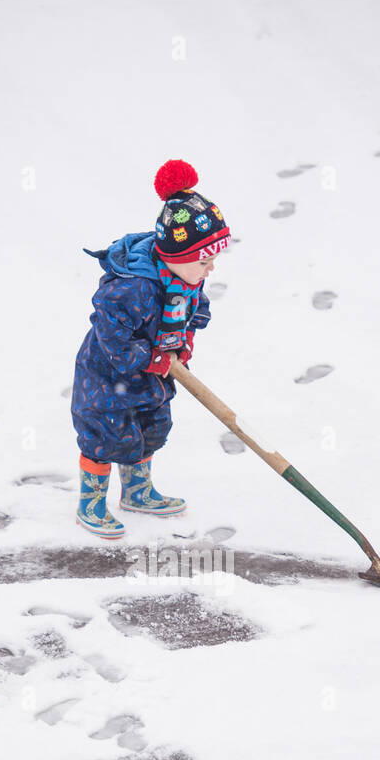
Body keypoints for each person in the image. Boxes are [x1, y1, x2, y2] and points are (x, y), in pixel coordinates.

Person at [71, 159, 231, 538]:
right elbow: (113, 339)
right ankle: (90, 504)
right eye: (205, 261)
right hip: (107, 379)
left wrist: (183, 345)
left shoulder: (187, 280)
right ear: (177, 257)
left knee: (151, 429)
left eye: (213, 260)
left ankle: (137, 492)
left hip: (153, 376)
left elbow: (196, 313)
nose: (211, 270)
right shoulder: (133, 289)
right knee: (106, 436)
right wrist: (152, 357)